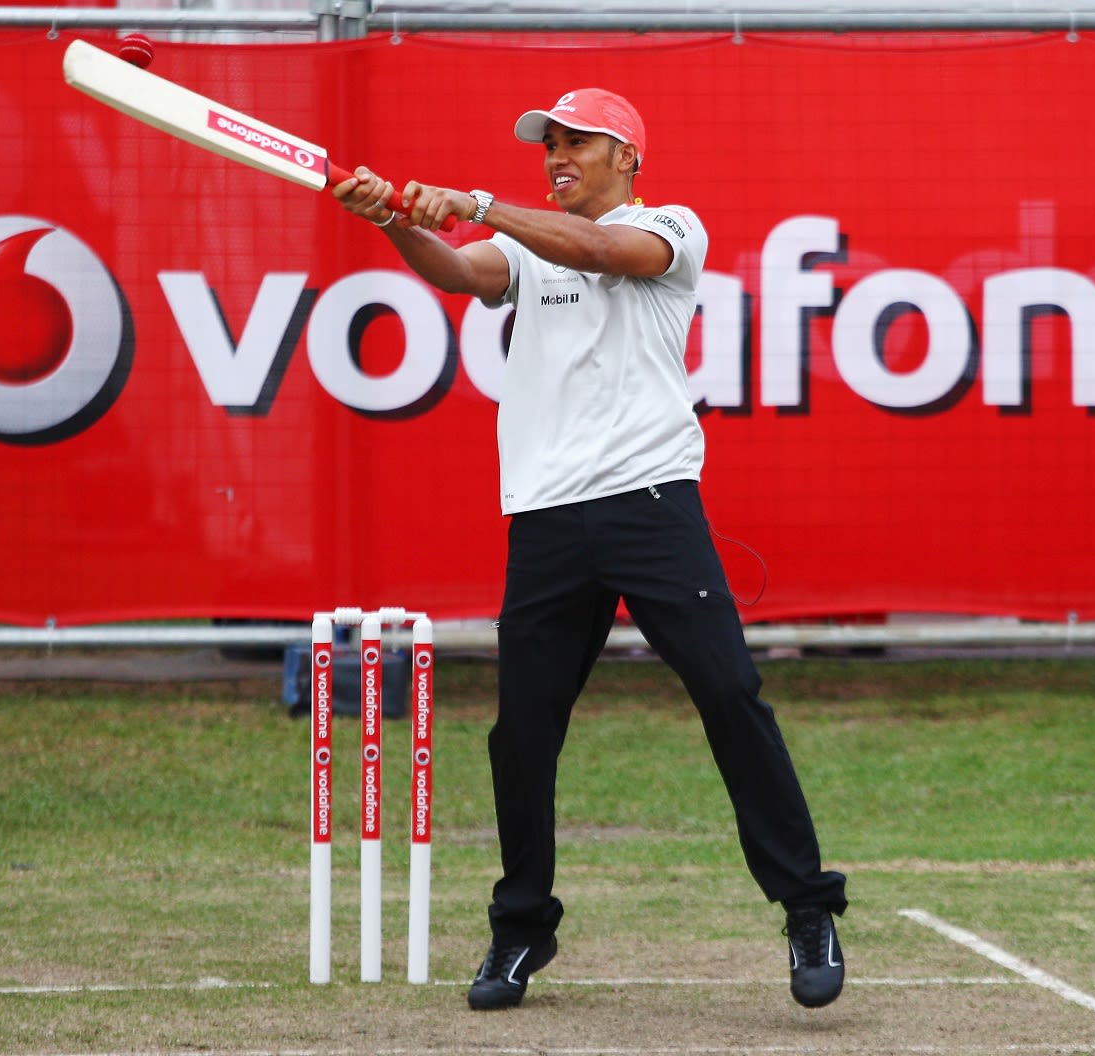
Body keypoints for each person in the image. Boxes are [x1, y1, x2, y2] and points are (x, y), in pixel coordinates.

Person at [333, 89, 848, 1011]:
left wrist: (475, 200)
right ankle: (520, 931)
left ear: (629, 159)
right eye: (549, 146)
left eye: (577, 144)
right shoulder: (527, 249)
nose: (557, 156)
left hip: (652, 507)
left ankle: (808, 907)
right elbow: (456, 273)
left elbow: (603, 250)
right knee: (520, 736)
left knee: (730, 694)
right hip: (547, 516)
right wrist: (396, 223)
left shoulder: (669, 228)